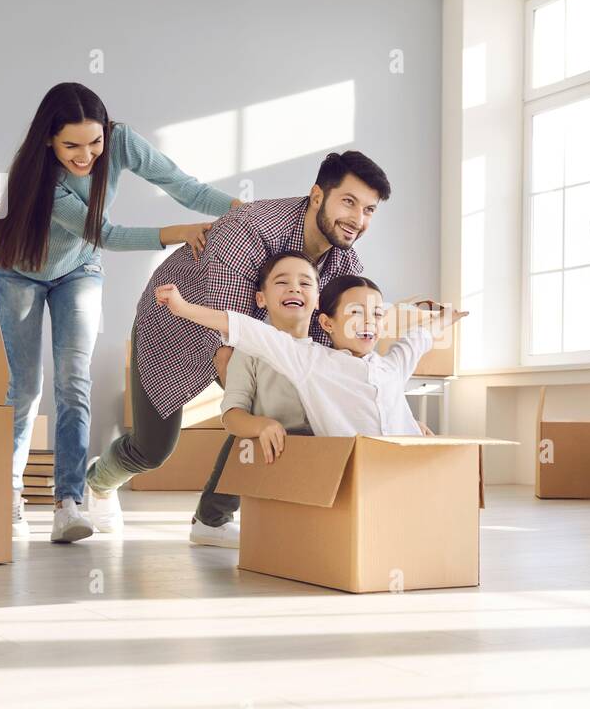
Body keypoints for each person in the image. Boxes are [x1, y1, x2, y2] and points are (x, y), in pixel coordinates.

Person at [84, 151, 391, 545]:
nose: (357, 220)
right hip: (177, 326)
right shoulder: (246, 230)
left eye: (369, 210)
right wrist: (254, 411)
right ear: (318, 195)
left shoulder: (346, 262)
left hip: (253, 338)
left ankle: (211, 520)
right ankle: (99, 479)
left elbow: (342, 345)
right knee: (151, 449)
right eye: (348, 202)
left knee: (278, 407)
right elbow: (226, 338)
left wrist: (391, 413)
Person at [0, 82, 238, 543]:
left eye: (95, 142)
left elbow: (182, 185)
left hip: (79, 269)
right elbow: (104, 232)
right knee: (26, 388)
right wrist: (175, 232)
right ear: (48, 140)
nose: (87, 156)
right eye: (72, 146)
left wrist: (244, 211)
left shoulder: (121, 143)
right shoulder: (42, 180)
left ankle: (68, 505)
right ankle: (8, 496)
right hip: (20, 273)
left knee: (73, 381)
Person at [152, 274, 467, 438]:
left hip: (411, 465)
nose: (369, 321)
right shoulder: (312, 363)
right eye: (357, 312)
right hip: (361, 471)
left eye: (376, 314)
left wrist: (445, 319)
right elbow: (249, 331)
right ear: (327, 323)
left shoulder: (390, 367)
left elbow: (416, 339)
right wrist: (183, 308)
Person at [190, 250, 320, 546]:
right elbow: (232, 415)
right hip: (264, 442)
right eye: (282, 282)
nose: (294, 288)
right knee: (241, 441)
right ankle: (211, 519)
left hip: (313, 447)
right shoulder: (249, 350)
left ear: (318, 300)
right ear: (261, 299)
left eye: (305, 283)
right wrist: (260, 425)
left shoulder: (327, 354)